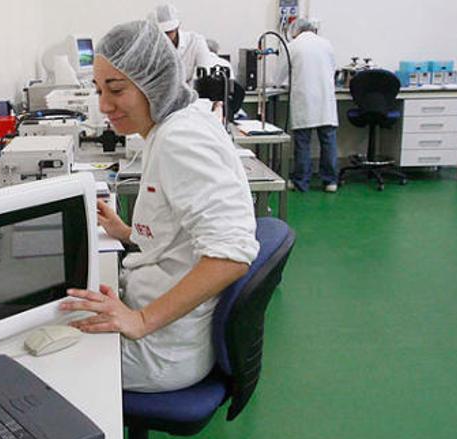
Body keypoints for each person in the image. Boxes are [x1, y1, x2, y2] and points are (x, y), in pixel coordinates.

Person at [59, 19, 259, 393]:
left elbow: (232, 254)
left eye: (115, 89)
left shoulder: (179, 140)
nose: (103, 105)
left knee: (44, 356)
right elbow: (180, 234)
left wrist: (141, 320)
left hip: (161, 349)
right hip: (161, 327)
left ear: (154, 83)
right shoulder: (175, 121)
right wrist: (128, 233)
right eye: (98, 88)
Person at [276, 18, 339, 192]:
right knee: (328, 141)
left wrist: (278, 83)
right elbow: (333, 69)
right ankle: (330, 181)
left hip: (304, 99)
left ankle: (301, 182)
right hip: (326, 100)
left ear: (295, 31)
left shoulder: (293, 46)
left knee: (303, 143)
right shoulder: (326, 44)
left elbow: (279, 74)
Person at [153, 3, 234, 84]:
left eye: (169, 32)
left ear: (177, 27)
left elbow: (203, 75)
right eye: (162, 33)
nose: (165, 36)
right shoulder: (153, 47)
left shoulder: (195, 42)